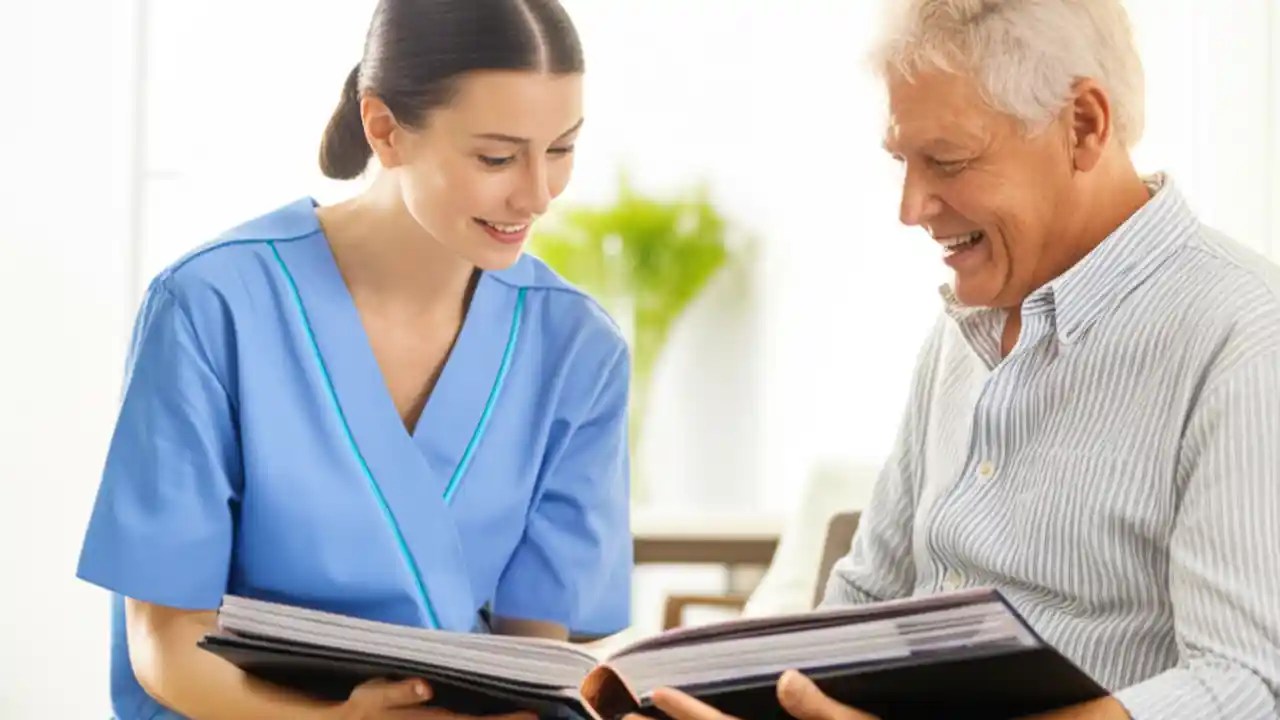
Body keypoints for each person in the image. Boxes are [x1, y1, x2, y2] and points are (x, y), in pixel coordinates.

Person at [639, 0, 1280, 719]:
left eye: (947, 161)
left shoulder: (1247, 334)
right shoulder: (965, 329)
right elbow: (869, 596)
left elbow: (1243, 685)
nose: (911, 208)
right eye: (902, 161)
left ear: (1084, 125)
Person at [75, 1, 633, 718]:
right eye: (497, 156)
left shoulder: (578, 349)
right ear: (385, 130)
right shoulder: (212, 307)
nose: (538, 194)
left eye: (561, 149)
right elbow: (162, 639)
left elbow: (534, 659)